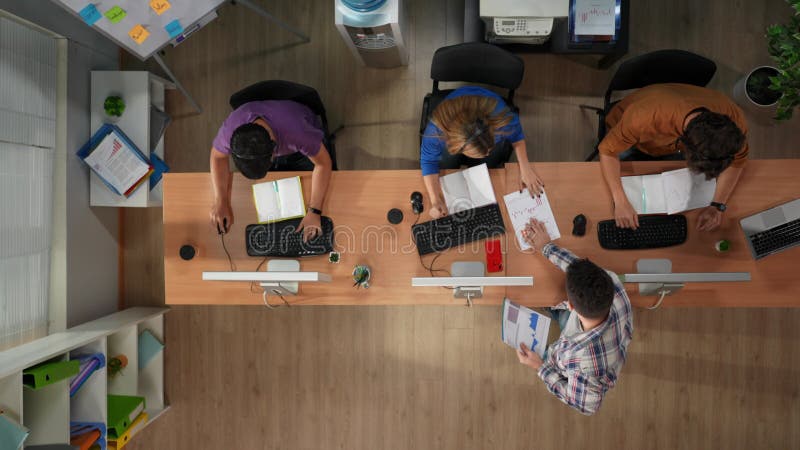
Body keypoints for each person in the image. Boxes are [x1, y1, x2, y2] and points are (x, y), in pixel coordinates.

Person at [515, 219, 633, 416]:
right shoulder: (612, 283)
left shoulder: (585, 367)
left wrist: (539, 366)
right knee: (542, 298)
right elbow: (580, 269)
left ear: (570, 306)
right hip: (601, 335)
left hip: (577, 361)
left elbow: (587, 406)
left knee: (540, 297)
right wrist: (546, 247)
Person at [597, 83, 748, 231]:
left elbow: (737, 163)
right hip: (631, 136)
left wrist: (717, 206)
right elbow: (607, 151)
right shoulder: (643, 118)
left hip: (665, 144)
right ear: (686, 146)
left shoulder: (733, 126)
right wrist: (620, 201)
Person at [209, 100, 333, 240]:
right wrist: (220, 200)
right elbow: (217, 157)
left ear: (274, 151)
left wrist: (314, 211)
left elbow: (323, 164)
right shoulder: (230, 131)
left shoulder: (298, 132)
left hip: (300, 143)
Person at [420, 86, 545, 219]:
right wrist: (435, 200)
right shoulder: (437, 131)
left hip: (489, 119)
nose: (487, 154)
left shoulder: (502, 116)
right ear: (457, 146)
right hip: (456, 134)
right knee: (447, 165)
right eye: (481, 153)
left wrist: (525, 168)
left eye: (488, 150)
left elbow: (517, 136)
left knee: (490, 165)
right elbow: (428, 160)